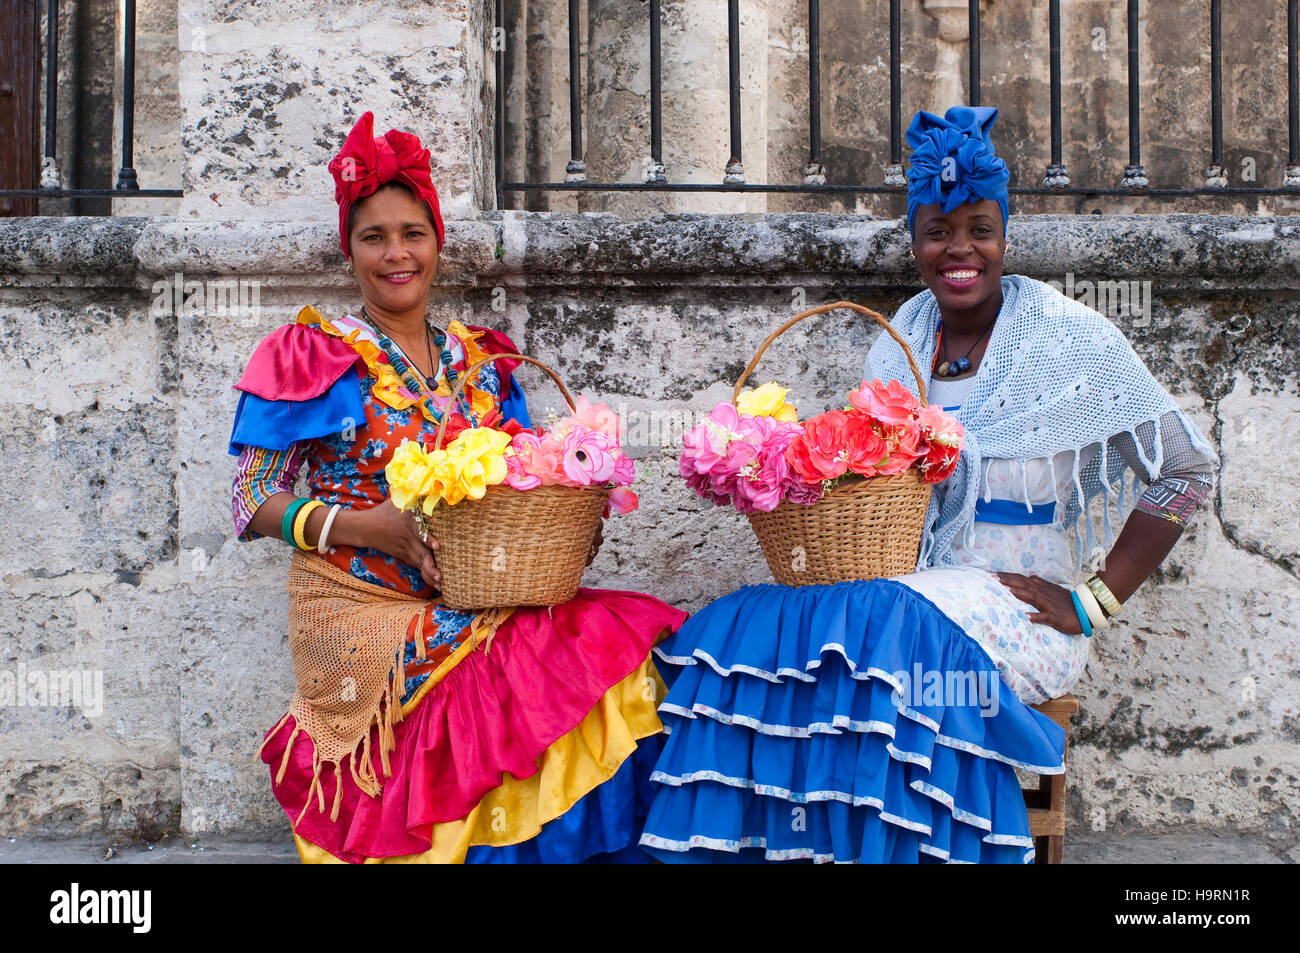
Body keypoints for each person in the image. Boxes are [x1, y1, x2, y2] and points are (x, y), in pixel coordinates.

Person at [638, 106, 1217, 863]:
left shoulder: (1071, 340)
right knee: (760, 615)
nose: (960, 249)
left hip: (1024, 617)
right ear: (913, 242)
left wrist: (1094, 600)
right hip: (909, 595)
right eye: (937, 230)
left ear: (1005, 236)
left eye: (980, 227)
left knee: (878, 625)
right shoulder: (902, 340)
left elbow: (1189, 467)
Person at [229, 111, 685, 863]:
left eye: (413, 232)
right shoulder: (312, 354)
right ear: (350, 248)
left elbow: (528, 469)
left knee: (618, 637)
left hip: (478, 589)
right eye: (374, 236)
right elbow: (252, 502)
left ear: (437, 242)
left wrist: (571, 505)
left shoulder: (481, 360)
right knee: (543, 654)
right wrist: (368, 526)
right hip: (359, 610)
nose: (396, 253)